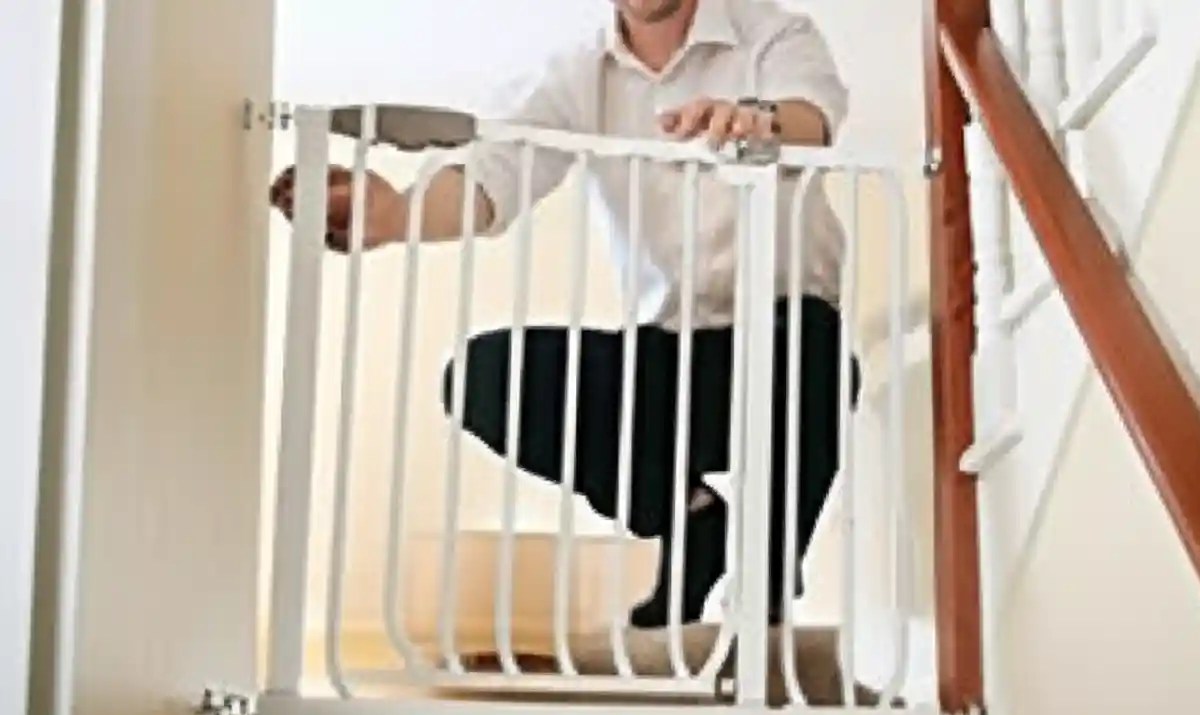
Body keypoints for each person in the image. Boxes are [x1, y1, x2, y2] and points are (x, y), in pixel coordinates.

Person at [269, 0, 859, 629]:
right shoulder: (573, 74)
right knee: (485, 377)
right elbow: (492, 179)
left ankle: (766, 577)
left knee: (817, 348)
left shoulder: (772, 35)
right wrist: (393, 216)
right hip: (663, 359)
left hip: (780, 354)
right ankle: (694, 523)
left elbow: (812, 120)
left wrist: (755, 121)